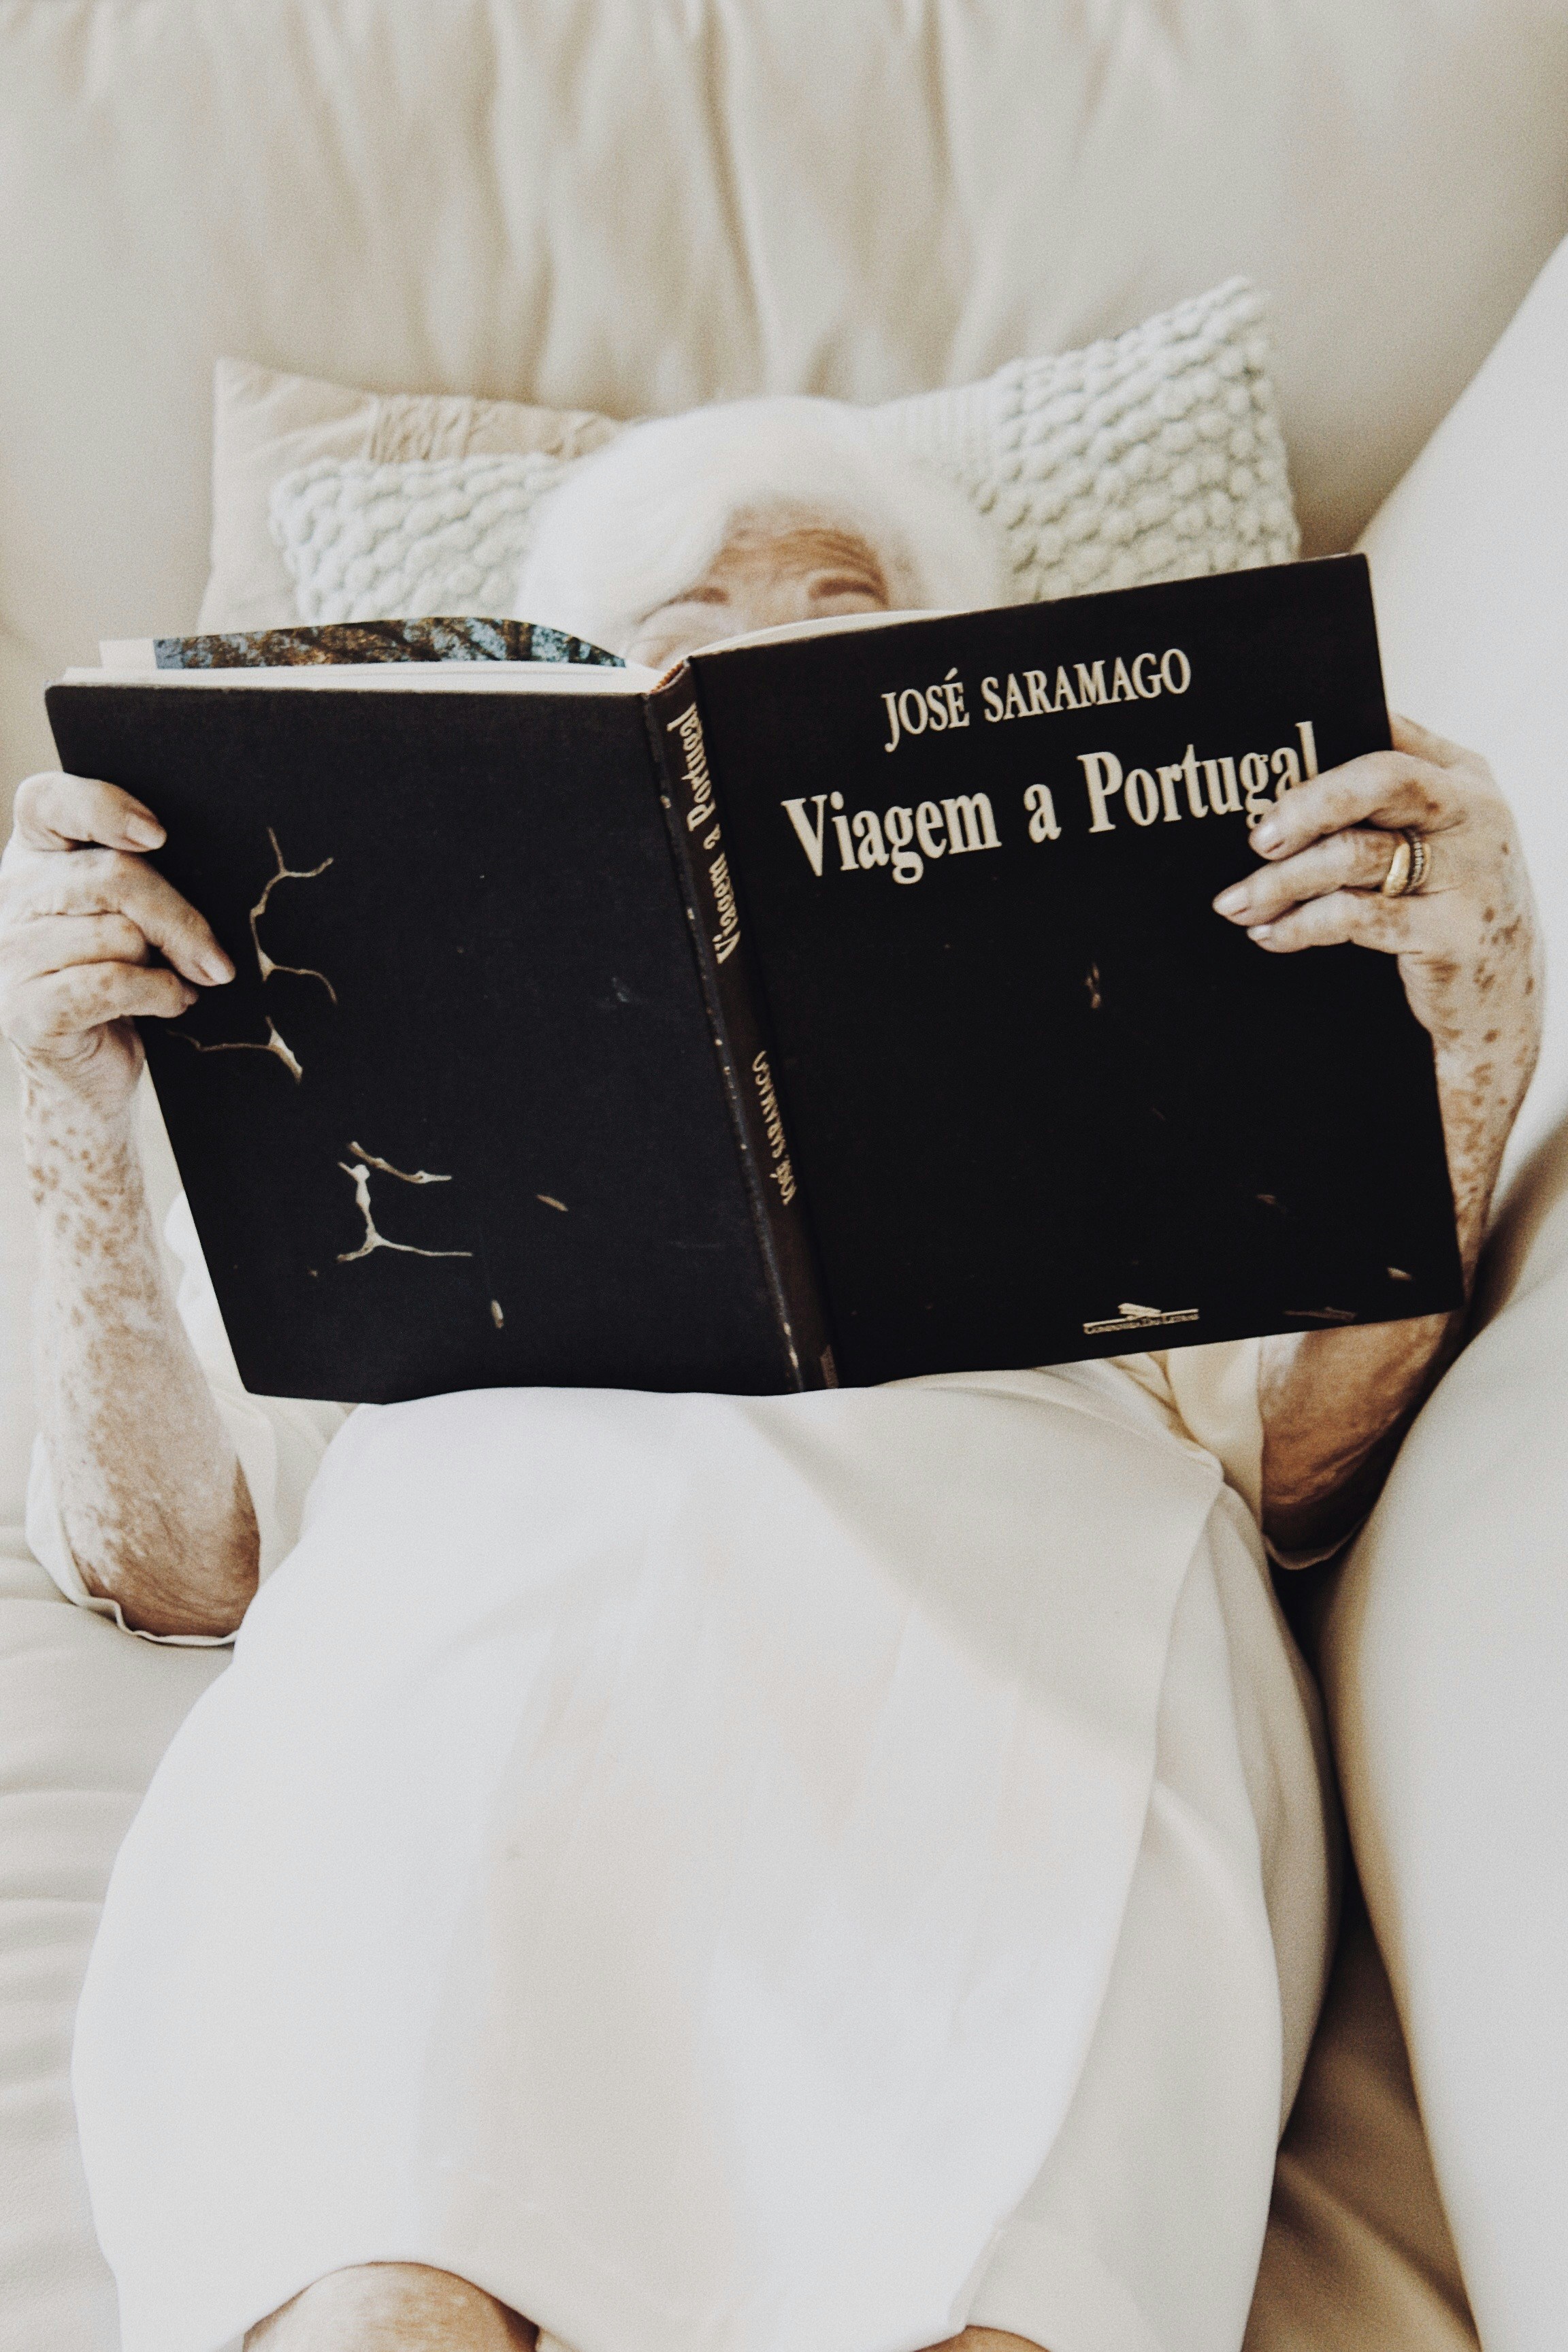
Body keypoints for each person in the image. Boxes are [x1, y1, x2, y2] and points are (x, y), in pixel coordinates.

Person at [0, 399, 1541, 2352]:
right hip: (474, 1616)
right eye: (692, 608)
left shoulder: (1161, 963)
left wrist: (1477, 1028)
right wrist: (62, 1104)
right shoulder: (320, 994)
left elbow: (1310, 1466)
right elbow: (170, 1569)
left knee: (970, 2275)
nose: (769, 629)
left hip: (1013, 1608)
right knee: (380, 2286)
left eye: (847, 601)